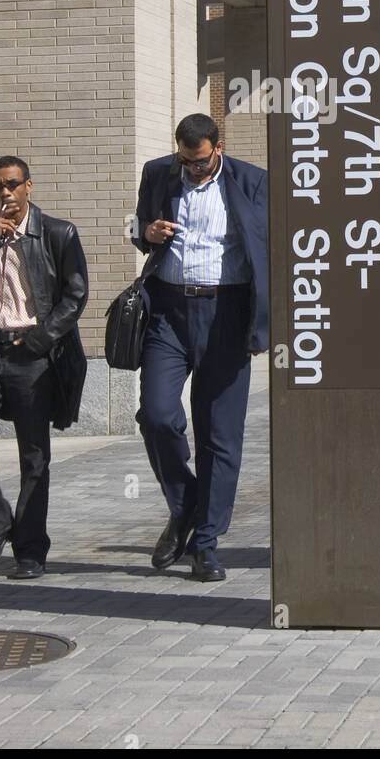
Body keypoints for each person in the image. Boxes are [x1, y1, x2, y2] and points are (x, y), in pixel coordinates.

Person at [131, 113, 268, 582]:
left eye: (201, 161)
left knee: (220, 436)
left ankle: (205, 543)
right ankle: (185, 502)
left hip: (226, 315)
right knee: (157, 414)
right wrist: (145, 233)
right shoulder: (158, 173)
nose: (192, 169)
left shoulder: (253, 182)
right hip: (168, 312)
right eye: (186, 161)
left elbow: (272, 248)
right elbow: (138, 224)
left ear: (218, 147)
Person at [0, 157, 88, 578]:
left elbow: (75, 295)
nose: (4, 193)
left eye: (11, 185)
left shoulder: (58, 233)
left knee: (34, 456)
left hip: (32, 354)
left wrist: (42, 338)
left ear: (28, 186)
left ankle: (30, 550)